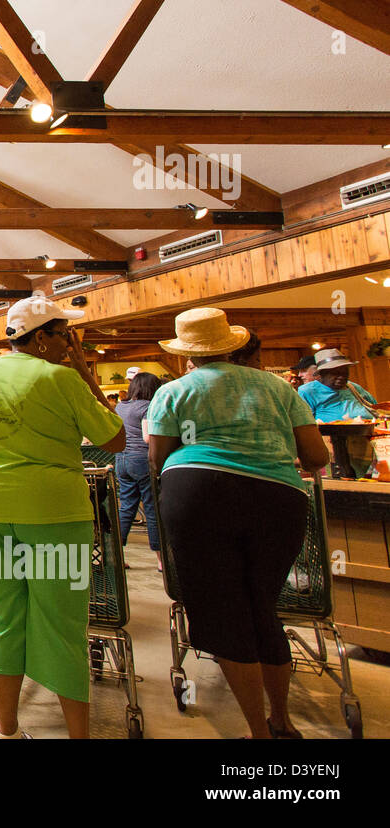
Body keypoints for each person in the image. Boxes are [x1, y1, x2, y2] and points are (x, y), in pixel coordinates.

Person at [0, 293, 125, 739]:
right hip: (52, 512)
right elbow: (115, 439)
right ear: (40, 338)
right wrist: (83, 369)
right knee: (62, 621)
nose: (70, 344)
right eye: (65, 335)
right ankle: (78, 735)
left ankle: (7, 729)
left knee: (4, 616)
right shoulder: (62, 379)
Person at [146, 308, 329, 739]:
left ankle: (257, 733)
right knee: (261, 607)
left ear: (184, 353)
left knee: (221, 610)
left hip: (197, 496)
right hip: (278, 499)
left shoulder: (174, 392)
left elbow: (157, 459)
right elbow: (316, 458)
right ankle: (282, 720)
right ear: (231, 345)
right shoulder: (278, 389)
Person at [115, 372, 162, 570]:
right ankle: (161, 560)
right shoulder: (149, 407)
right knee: (152, 508)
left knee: (126, 507)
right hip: (142, 459)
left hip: (122, 459)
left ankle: (117, 556)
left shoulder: (120, 406)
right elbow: (148, 437)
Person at [297, 348, 386, 421]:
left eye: (345, 372)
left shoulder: (352, 387)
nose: (341, 376)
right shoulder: (308, 391)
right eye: (335, 373)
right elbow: (305, 422)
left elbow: (377, 408)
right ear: (321, 374)